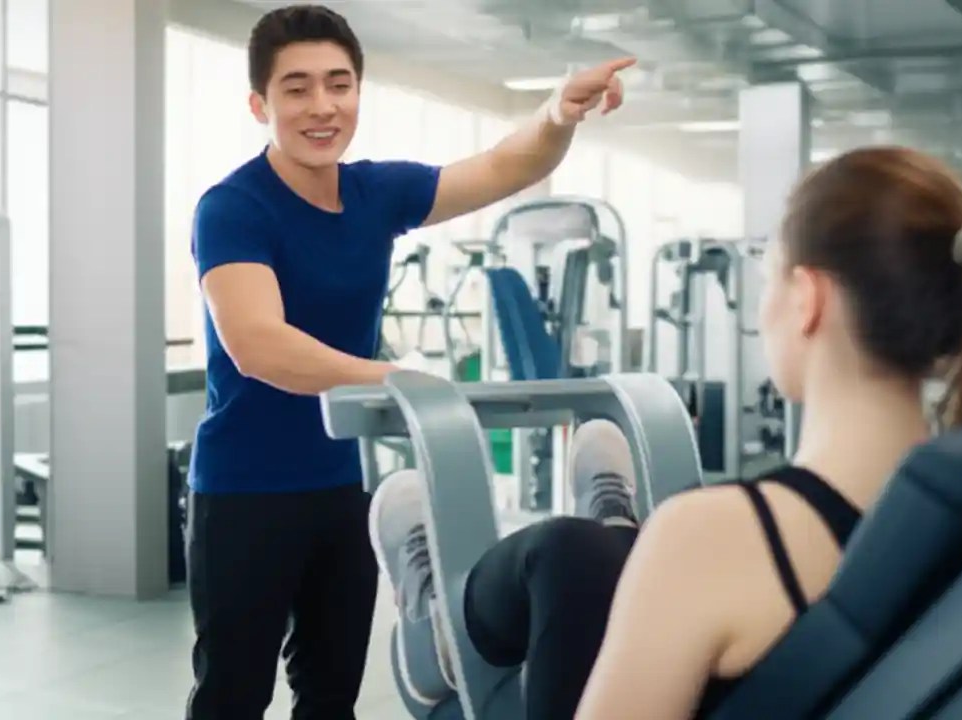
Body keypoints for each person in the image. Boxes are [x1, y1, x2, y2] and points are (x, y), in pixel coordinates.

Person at [370, 145, 962, 719]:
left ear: (807, 299)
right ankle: (606, 529)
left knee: (564, 567)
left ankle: (441, 620)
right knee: (577, 551)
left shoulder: (714, 540)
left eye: (768, 279)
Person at [183, 4, 636, 719]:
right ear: (259, 103)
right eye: (297, 88)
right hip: (246, 491)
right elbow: (258, 345)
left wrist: (556, 115)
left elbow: (500, 167)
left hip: (344, 483)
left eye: (339, 84)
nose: (322, 106)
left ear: (359, 90)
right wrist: (398, 380)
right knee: (232, 695)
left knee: (330, 694)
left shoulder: (374, 192)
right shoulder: (233, 208)